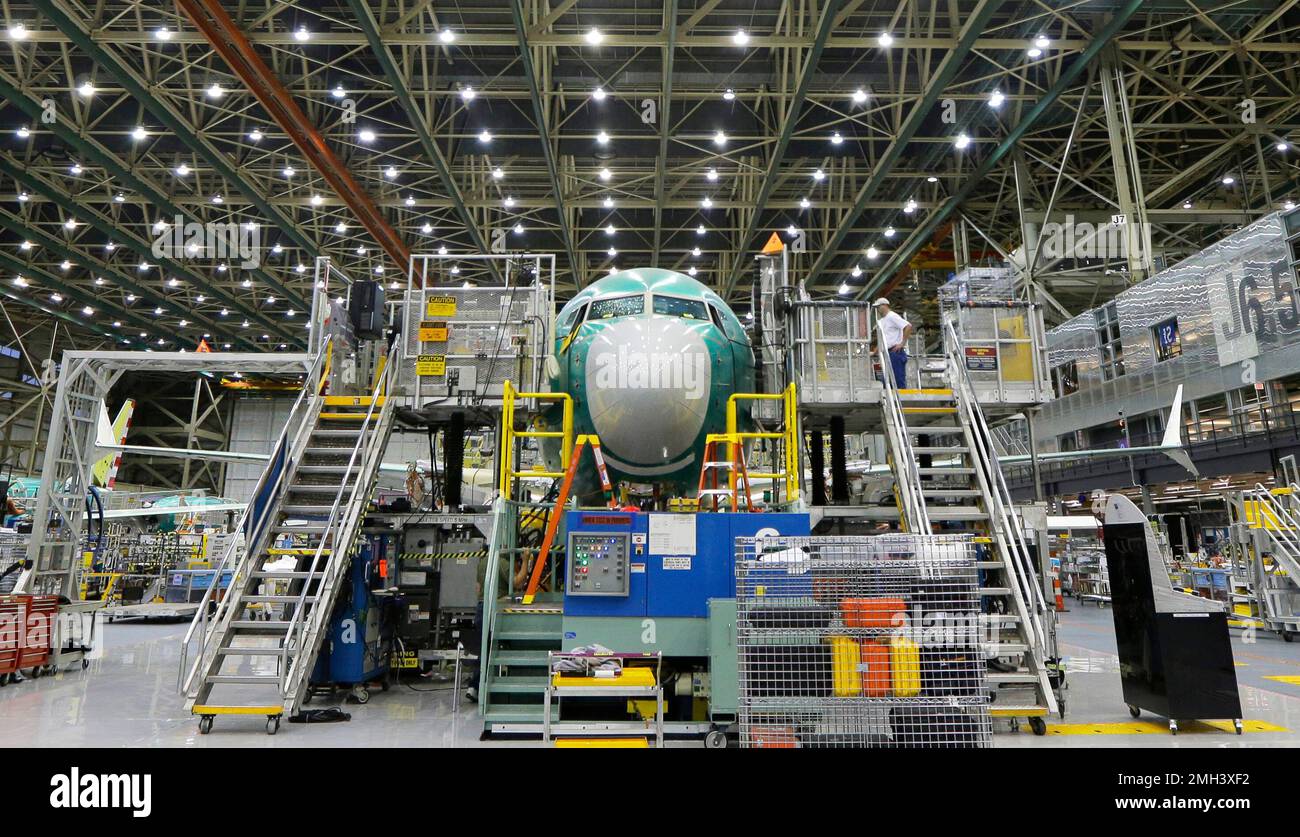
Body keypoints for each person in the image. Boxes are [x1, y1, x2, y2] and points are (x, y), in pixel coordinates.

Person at [873, 297, 912, 387]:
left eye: (879, 306)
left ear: (885, 305)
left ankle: (901, 399)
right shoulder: (882, 321)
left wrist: (902, 343)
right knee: (887, 381)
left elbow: (908, 326)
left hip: (895, 353)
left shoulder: (892, 316)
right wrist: (874, 352)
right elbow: (884, 339)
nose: (878, 309)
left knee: (898, 380)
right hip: (887, 353)